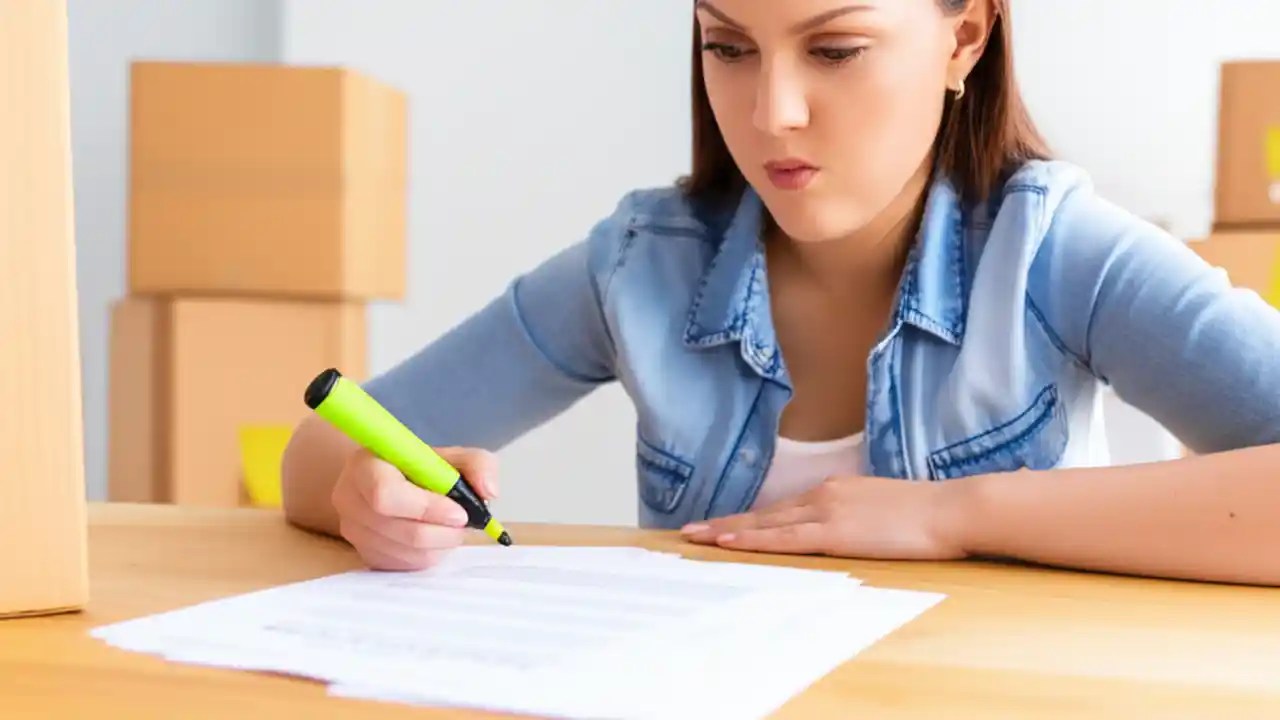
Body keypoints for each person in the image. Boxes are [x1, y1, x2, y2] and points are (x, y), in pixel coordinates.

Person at [281, 0, 1280, 586]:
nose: (770, 113)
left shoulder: (1056, 249)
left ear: (965, 38)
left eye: (834, 50)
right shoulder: (639, 263)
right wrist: (365, 498)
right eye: (727, 47)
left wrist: (955, 515)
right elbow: (322, 447)